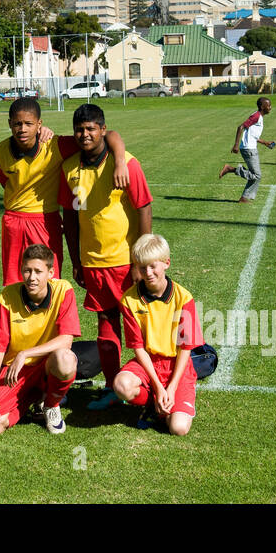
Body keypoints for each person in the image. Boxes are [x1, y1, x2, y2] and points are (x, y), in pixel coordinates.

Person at [59, 103, 154, 408]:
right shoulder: (70, 169)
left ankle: (154, 382)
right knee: (106, 327)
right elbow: (71, 219)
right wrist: (76, 260)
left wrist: (141, 260)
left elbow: (144, 208)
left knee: (144, 325)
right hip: (94, 263)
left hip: (127, 262)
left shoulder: (125, 163)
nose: (85, 134)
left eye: (91, 128)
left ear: (102, 130)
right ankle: (114, 387)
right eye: (80, 129)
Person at [0, 97, 128, 285]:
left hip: (46, 220)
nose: (22, 129)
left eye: (29, 124)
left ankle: (50, 313)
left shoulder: (55, 146)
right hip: (13, 221)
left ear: (39, 124)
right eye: (17, 124)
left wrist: (120, 161)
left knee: (48, 279)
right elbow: (6, 183)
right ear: (10, 124)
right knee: (14, 281)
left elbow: (109, 134)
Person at [0, 244, 80, 436]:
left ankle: (50, 405)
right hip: (15, 372)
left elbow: (66, 340)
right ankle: (32, 401)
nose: (31, 277)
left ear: (50, 273)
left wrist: (25, 353)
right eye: (27, 270)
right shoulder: (7, 296)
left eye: (38, 272)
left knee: (66, 359)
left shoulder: (63, 290)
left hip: (47, 365)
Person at [112, 233, 203, 435]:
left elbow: (186, 348)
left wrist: (170, 387)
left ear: (166, 263)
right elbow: (138, 348)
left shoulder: (184, 298)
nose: (148, 272)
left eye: (153, 266)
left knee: (178, 428)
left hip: (177, 365)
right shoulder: (129, 300)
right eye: (142, 267)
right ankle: (154, 403)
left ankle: (167, 405)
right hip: (148, 363)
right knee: (121, 385)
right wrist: (158, 387)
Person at [220, 96, 275, 203]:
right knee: (257, 175)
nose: (270, 107)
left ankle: (244, 198)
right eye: (268, 105)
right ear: (262, 107)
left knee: (255, 176)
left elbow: (252, 135)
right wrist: (236, 145)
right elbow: (240, 127)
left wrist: (265, 142)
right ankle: (230, 169)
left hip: (250, 147)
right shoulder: (256, 116)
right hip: (248, 149)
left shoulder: (259, 117)